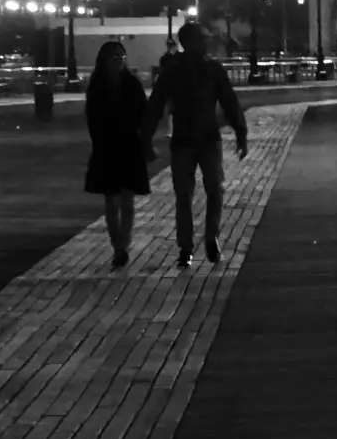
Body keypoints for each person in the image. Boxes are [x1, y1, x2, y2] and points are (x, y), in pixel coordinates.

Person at [139, 21, 246, 268]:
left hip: (201, 138)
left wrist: (241, 131)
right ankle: (190, 244)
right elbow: (156, 104)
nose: (206, 42)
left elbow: (229, 101)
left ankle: (205, 240)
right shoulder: (179, 69)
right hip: (191, 139)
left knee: (206, 192)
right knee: (193, 194)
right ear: (189, 43)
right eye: (201, 38)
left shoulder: (207, 68)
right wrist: (145, 138)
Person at [83, 39, 152, 269]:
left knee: (126, 199)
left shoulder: (131, 84)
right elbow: (92, 117)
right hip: (107, 146)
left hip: (128, 145)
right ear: (104, 60)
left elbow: (144, 113)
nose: (120, 62)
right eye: (115, 58)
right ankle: (118, 245)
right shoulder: (98, 86)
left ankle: (124, 243)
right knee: (112, 200)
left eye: (122, 58)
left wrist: (145, 139)